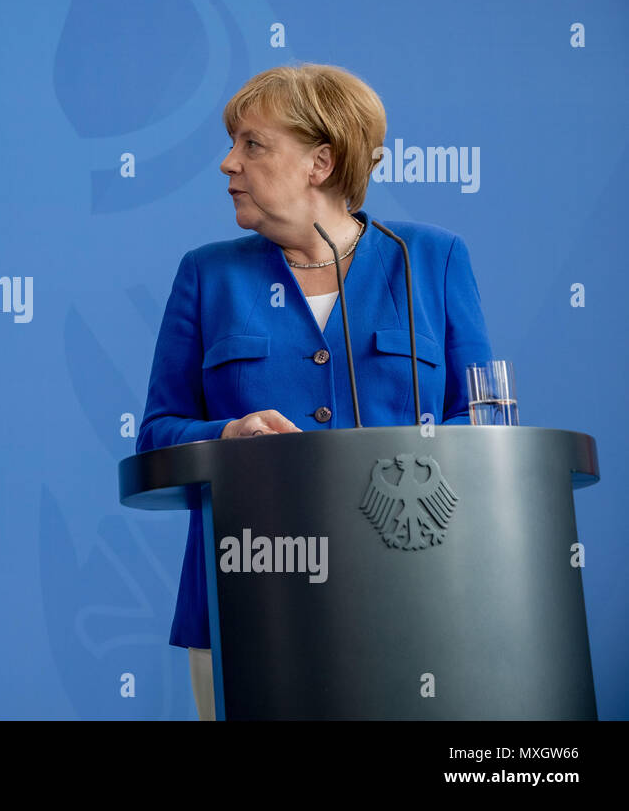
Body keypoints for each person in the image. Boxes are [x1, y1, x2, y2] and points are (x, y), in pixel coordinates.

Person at [137, 64, 492, 719]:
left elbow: (480, 430)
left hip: (409, 598)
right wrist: (226, 436)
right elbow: (157, 432)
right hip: (244, 600)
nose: (227, 164)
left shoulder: (431, 259)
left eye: (252, 144)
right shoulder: (207, 275)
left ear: (319, 163)